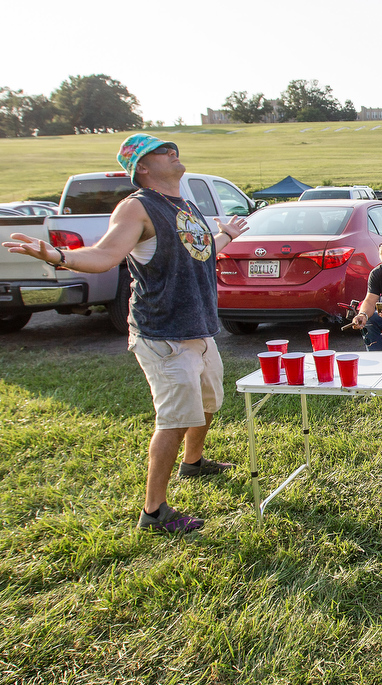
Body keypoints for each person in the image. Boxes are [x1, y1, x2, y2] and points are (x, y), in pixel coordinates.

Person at [2, 133, 248, 534]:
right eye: (162, 151)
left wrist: (228, 236)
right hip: (163, 332)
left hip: (198, 328)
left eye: (172, 148)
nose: (173, 152)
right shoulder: (136, 208)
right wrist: (59, 256)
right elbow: (104, 254)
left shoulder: (184, 204)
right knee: (173, 418)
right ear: (143, 168)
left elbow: (200, 251)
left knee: (209, 401)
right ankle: (153, 512)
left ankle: (193, 463)